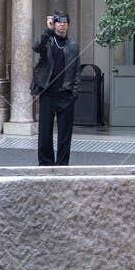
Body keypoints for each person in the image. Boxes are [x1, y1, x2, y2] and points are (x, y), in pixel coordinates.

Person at [33, 11, 81, 166]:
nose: (62, 24)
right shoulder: (48, 41)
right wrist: (47, 30)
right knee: (45, 132)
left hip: (65, 94)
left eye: (64, 22)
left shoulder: (73, 46)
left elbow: (76, 70)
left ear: (68, 24)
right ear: (54, 24)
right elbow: (36, 47)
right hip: (48, 92)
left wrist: (74, 92)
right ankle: (45, 163)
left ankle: (62, 164)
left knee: (65, 134)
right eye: (59, 22)